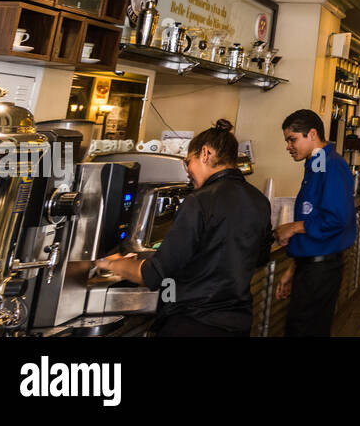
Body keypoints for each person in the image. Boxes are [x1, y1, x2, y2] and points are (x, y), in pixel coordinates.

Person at [96, 119, 271, 337]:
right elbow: (260, 257)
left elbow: (154, 274)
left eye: (189, 161)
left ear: (205, 153)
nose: (188, 171)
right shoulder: (259, 201)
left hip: (193, 323)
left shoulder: (199, 201)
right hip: (237, 323)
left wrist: (112, 263)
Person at [274, 109, 356, 337]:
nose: (288, 146)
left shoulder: (330, 165)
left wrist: (292, 227)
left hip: (321, 270)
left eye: (292, 139)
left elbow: (335, 219)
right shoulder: (316, 164)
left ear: (311, 134)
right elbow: (313, 214)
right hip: (309, 265)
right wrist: (294, 269)